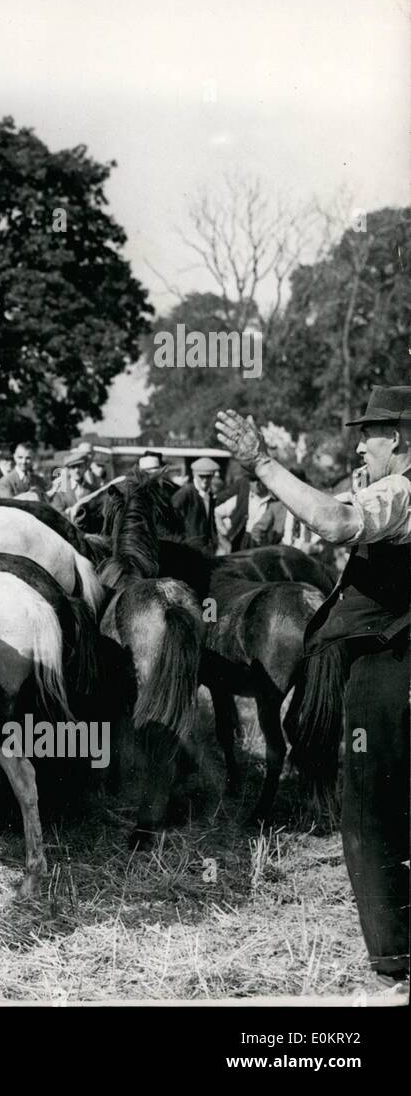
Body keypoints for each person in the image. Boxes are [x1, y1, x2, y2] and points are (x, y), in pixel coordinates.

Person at [217, 388, 411, 987]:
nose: (358, 443)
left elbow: (336, 521)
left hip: (390, 666)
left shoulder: (402, 489)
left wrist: (263, 464)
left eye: (369, 434)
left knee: (369, 817)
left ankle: (395, 968)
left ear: (399, 439)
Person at [216, 473, 287, 551]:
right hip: (240, 539)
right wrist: (224, 531)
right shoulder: (242, 498)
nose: (256, 484)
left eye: (259, 481)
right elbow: (218, 512)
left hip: (261, 543)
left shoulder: (274, 503)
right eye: (252, 481)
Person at [171, 456, 220, 554]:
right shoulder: (185, 493)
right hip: (189, 548)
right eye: (201, 476)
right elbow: (171, 519)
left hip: (207, 547)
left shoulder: (209, 494)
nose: (205, 480)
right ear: (194, 474)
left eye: (208, 477)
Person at [51, 448, 93, 513]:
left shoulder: (91, 489)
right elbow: (57, 513)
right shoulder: (60, 491)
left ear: (84, 468)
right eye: (73, 467)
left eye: (79, 466)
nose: (77, 470)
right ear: (69, 470)